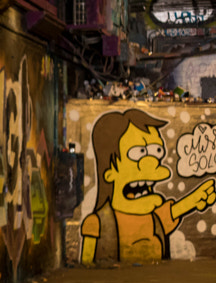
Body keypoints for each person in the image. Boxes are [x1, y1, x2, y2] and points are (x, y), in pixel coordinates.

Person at [80, 109, 215, 264]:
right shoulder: (97, 223)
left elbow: (175, 210)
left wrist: (195, 198)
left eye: (157, 151)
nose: (153, 164)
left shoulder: (154, 218)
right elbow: (86, 262)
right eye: (139, 152)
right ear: (109, 173)